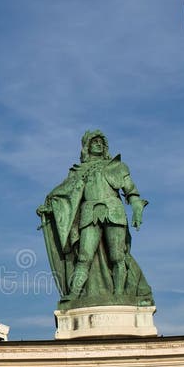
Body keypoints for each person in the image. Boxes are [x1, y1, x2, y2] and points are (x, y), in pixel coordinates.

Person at [37, 130, 153, 306]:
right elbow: (64, 194)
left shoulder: (117, 166)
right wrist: (49, 205)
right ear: (87, 146)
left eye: (101, 142)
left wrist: (137, 207)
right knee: (84, 256)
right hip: (89, 212)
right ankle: (74, 295)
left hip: (113, 210)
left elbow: (131, 190)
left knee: (117, 256)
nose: (98, 144)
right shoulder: (78, 171)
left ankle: (119, 293)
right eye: (94, 142)